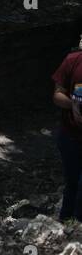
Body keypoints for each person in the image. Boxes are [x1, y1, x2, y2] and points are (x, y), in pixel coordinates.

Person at [52, 46, 82, 222]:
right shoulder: (73, 60)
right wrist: (72, 105)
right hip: (70, 136)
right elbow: (57, 95)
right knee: (72, 183)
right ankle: (64, 225)